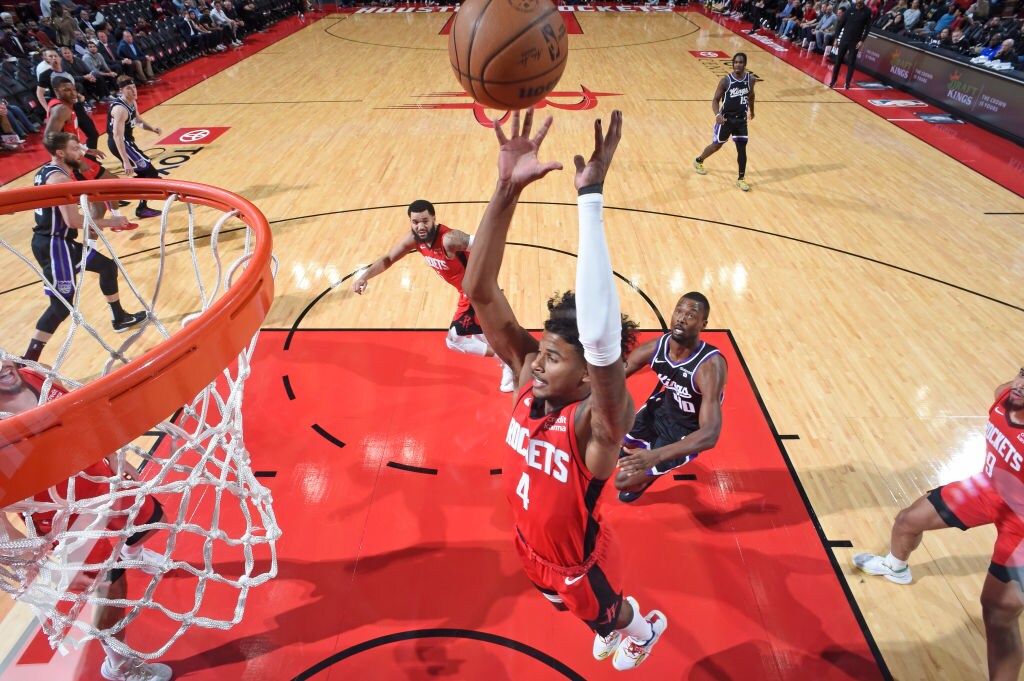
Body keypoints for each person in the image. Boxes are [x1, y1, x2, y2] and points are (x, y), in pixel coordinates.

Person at [462, 108, 668, 671]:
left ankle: (641, 628)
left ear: (587, 375)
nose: (536, 362)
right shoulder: (531, 374)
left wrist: (591, 201)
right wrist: (504, 188)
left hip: (578, 562)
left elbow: (602, 345)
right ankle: (607, 621)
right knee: (561, 606)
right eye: (542, 352)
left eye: (555, 357)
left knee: (604, 616)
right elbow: (478, 290)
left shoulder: (597, 424)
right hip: (528, 545)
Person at [0, 355, 172, 681]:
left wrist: (115, 458)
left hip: (100, 480)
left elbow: (84, 420)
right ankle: (118, 665)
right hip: (64, 518)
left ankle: (131, 551)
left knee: (153, 521)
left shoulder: (33, 375)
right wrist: (20, 549)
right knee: (111, 585)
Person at [854, 368, 1024, 681]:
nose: (1020, 385)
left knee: (998, 613)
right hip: (988, 489)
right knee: (907, 520)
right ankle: (895, 567)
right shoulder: (1004, 394)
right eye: (1022, 374)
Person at [351, 200, 515, 392]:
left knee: (455, 340)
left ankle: (510, 360)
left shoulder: (449, 239)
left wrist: (488, 280)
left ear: (434, 219)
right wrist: (364, 276)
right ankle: (510, 364)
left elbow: (486, 245)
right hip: (466, 292)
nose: (420, 226)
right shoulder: (414, 239)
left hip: (475, 292)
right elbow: (388, 259)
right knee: (481, 337)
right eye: (415, 222)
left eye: (425, 221)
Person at [22, 132, 148, 363]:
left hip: (60, 242)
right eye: (74, 149)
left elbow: (67, 218)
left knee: (107, 267)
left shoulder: (45, 171)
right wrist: (110, 222)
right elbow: (72, 221)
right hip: (55, 246)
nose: (80, 152)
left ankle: (119, 318)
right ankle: (28, 359)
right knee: (61, 307)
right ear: (60, 153)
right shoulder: (60, 180)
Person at [614, 292, 728, 503]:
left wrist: (656, 456)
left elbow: (710, 434)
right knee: (617, 443)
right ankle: (644, 452)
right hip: (661, 410)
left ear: (703, 324)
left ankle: (646, 478)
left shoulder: (709, 367)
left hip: (685, 431)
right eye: (678, 311)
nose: (681, 318)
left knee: (622, 481)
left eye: (690, 315)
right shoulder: (657, 347)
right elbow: (617, 375)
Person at [693, 52, 755, 192]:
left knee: (742, 150)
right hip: (726, 120)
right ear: (733, 64)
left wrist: (752, 110)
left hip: (741, 121)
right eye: (736, 62)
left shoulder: (750, 80)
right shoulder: (726, 81)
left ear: (745, 64)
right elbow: (715, 100)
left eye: (740, 62)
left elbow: (751, 95)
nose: (738, 64)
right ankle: (699, 160)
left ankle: (741, 179)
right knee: (716, 146)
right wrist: (717, 114)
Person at [107, 76, 163, 185]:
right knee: (151, 172)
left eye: (134, 87)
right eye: (128, 88)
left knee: (143, 174)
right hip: (119, 143)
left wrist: (152, 129)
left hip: (127, 142)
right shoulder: (120, 110)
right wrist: (126, 161)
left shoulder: (132, 102)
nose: (133, 90)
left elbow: (137, 121)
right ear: (121, 90)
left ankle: (142, 201)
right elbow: (117, 136)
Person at [828, 0, 874, 88]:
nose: (859, 1)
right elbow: (840, 24)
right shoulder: (850, 9)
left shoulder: (867, 11)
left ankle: (847, 83)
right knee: (838, 61)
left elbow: (868, 28)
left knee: (851, 62)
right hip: (844, 39)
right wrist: (836, 38)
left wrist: (862, 41)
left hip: (855, 41)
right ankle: (833, 81)